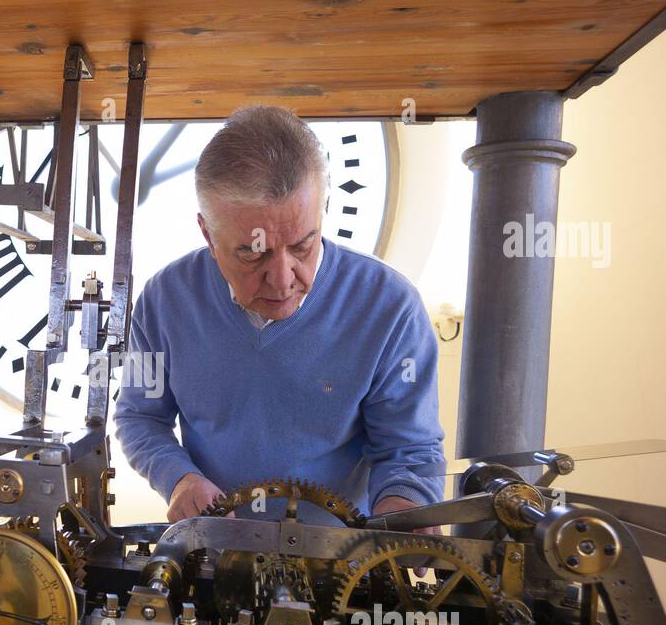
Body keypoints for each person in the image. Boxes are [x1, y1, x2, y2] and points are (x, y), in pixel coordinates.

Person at [114, 105, 445, 523]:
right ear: (207, 234)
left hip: (346, 565)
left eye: (303, 245)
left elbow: (409, 449)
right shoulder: (163, 301)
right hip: (216, 556)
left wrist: (405, 509)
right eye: (254, 253)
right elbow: (139, 417)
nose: (284, 279)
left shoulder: (391, 307)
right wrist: (178, 479)